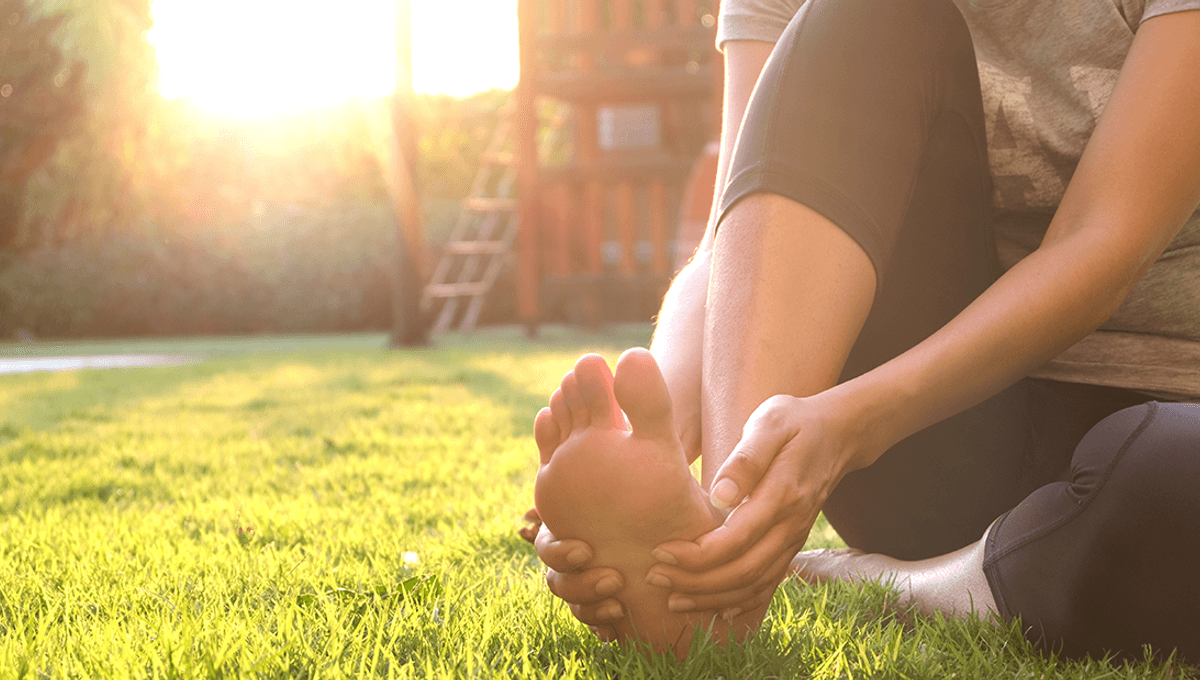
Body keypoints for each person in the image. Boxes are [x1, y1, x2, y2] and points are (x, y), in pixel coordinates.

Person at [527, 0, 1200, 662]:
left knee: (1166, 473)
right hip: (937, 449)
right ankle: (731, 553)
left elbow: (1101, 241)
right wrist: (656, 435)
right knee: (868, 10)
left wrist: (857, 420)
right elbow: (739, 239)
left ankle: (912, 582)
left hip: (1155, 421)